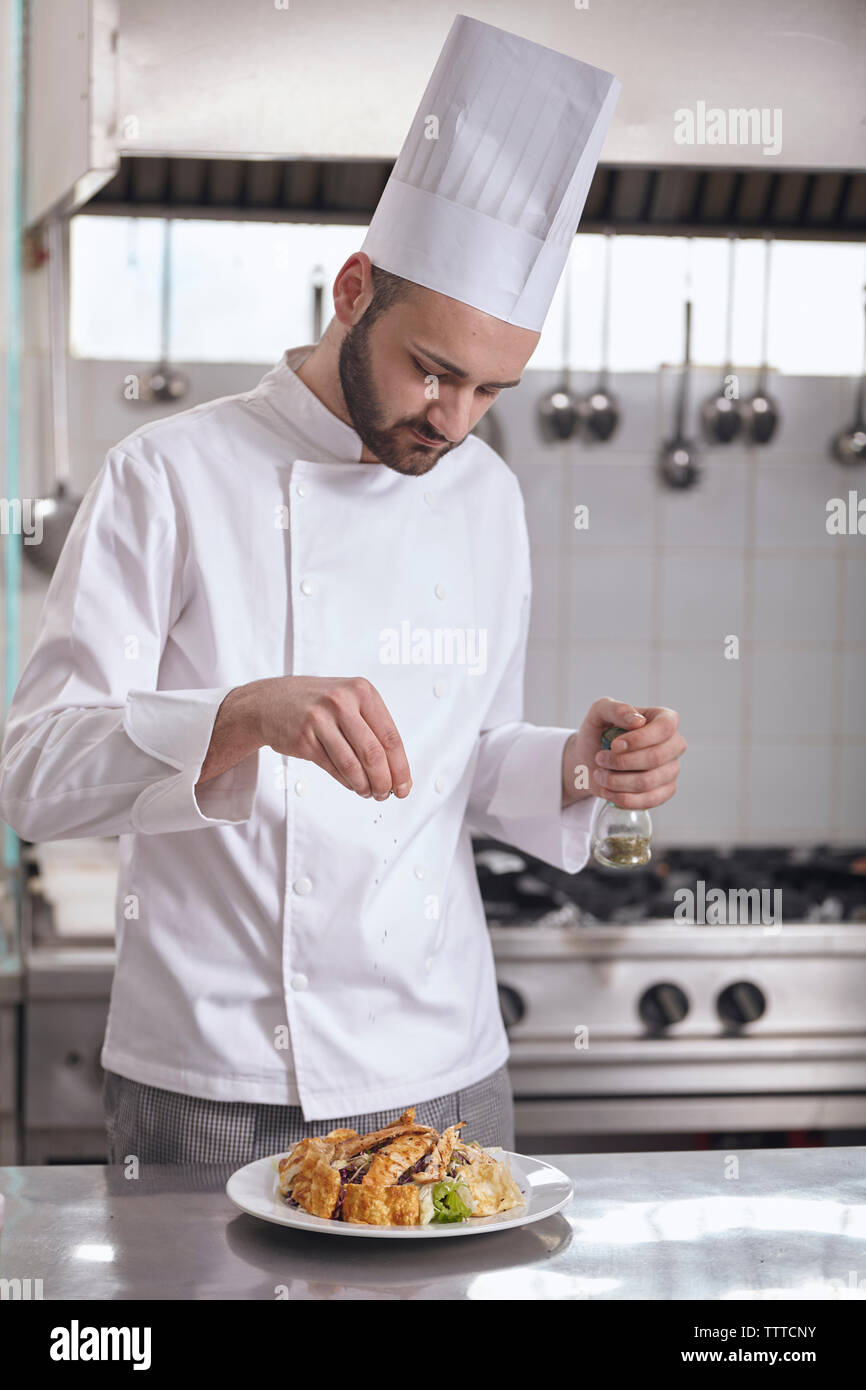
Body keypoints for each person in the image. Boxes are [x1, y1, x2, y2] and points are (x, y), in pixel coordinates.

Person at [0, 16, 685, 1163]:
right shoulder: (164, 477)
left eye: (489, 390)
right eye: (433, 368)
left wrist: (579, 760)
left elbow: (461, 757)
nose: (453, 420)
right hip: (209, 1080)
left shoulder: (482, 494)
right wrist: (240, 716)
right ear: (352, 288)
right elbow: (32, 774)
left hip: (442, 1077)